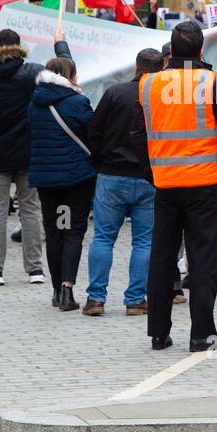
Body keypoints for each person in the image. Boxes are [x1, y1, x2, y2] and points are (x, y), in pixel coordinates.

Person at [132, 19, 217, 351]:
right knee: (202, 259)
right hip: (204, 184)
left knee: (162, 256)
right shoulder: (211, 82)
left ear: (171, 48)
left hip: (166, 184)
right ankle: (202, 334)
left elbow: (138, 136)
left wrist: (152, 171)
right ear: (200, 49)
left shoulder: (149, 85)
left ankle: (158, 332)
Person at [0, 28, 68, 287]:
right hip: (29, 152)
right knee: (31, 210)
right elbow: (62, 83)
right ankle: (35, 269)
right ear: (18, 46)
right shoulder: (34, 73)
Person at [82, 48, 163, 317]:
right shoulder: (162, 97)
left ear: (136, 67)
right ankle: (136, 299)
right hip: (149, 176)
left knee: (103, 237)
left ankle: (96, 299)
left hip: (111, 175)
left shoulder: (115, 93)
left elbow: (94, 131)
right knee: (144, 241)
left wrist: (100, 163)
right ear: (160, 69)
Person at [28, 52, 95, 311]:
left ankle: (56, 290)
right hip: (77, 179)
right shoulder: (78, 102)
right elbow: (92, 135)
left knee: (55, 232)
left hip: (47, 180)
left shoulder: (34, 104)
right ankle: (68, 289)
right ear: (70, 76)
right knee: (73, 233)